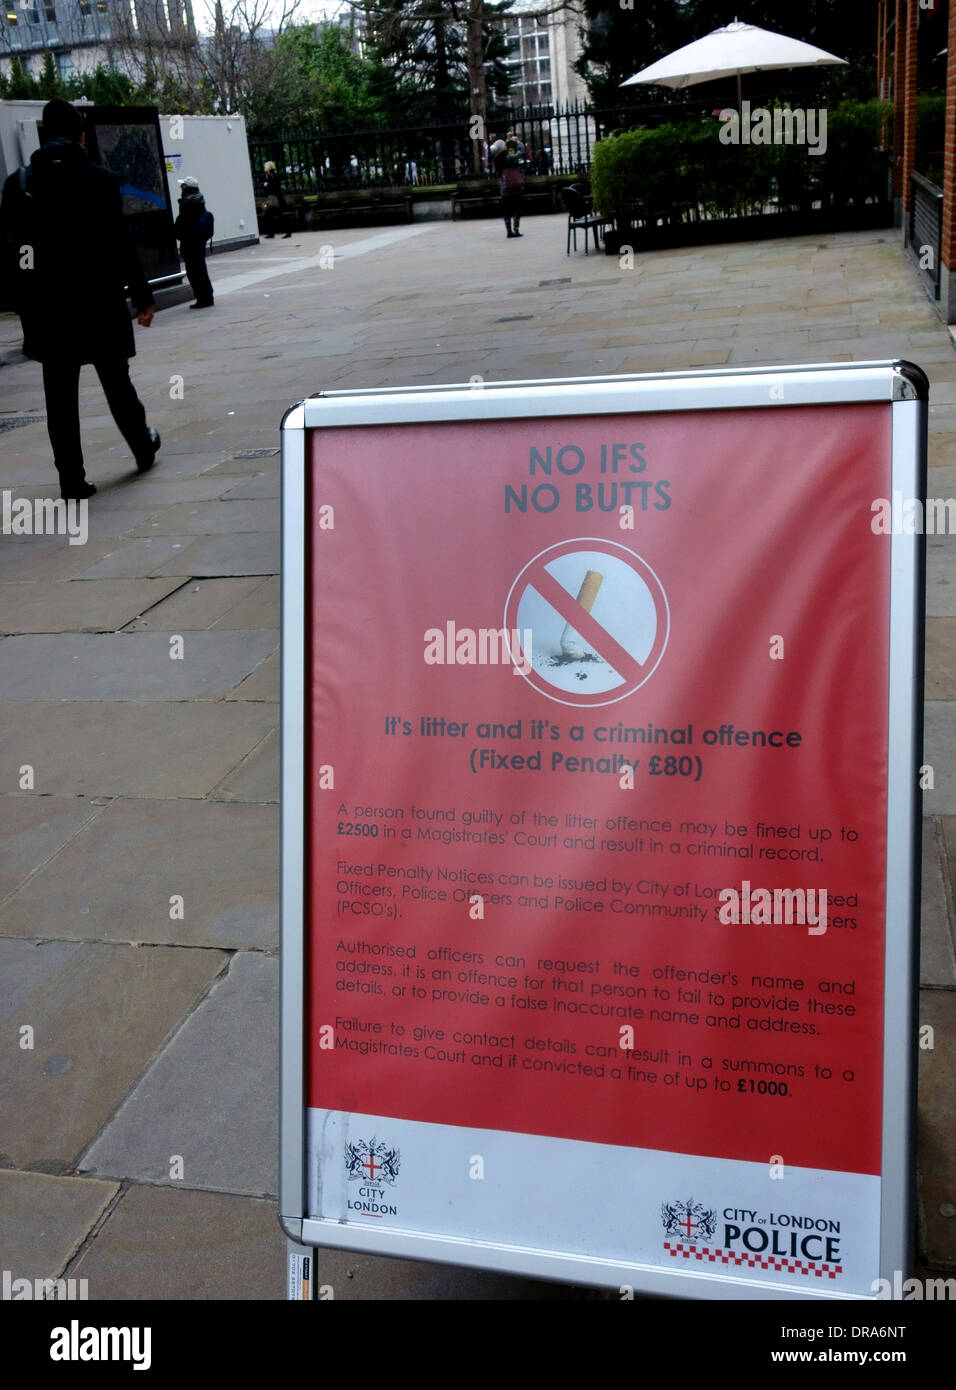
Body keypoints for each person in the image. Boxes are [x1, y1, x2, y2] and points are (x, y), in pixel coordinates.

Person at [0, 98, 159, 501]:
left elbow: (14, 253)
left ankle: (71, 479)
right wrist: (141, 295)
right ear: (81, 135)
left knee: (59, 395)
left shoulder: (18, 184)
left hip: (47, 309)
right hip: (97, 302)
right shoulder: (100, 179)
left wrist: (21, 300)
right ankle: (142, 446)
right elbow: (120, 244)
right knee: (116, 382)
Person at [174, 176, 215, 308]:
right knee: (201, 268)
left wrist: (178, 233)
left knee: (193, 271)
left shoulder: (187, 203)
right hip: (200, 240)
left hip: (190, 241)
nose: (181, 188)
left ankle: (202, 298)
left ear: (186, 187)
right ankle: (207, 296)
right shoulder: (199, 199)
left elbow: (182, 223)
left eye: (182, 186)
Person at [492, 138, 524, 239]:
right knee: (517, 209)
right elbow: (522, 152)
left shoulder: (496, 159)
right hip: (514, 187)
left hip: (505, 188)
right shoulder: (509, 158)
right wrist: (519, 142)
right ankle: (516, 230)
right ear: (502, 148)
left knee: (507, 211)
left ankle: (509, 231)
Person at [261, 161, 291, 238]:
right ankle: (273, 233)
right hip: (273, 199)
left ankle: (284, 232)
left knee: (273, 215)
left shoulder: (270, 176)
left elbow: (269, 187)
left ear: (268, 167)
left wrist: (266, 184)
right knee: (270, 215)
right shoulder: (272, 175)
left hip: (272, 199)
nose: (264, 168)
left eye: (265, 166)